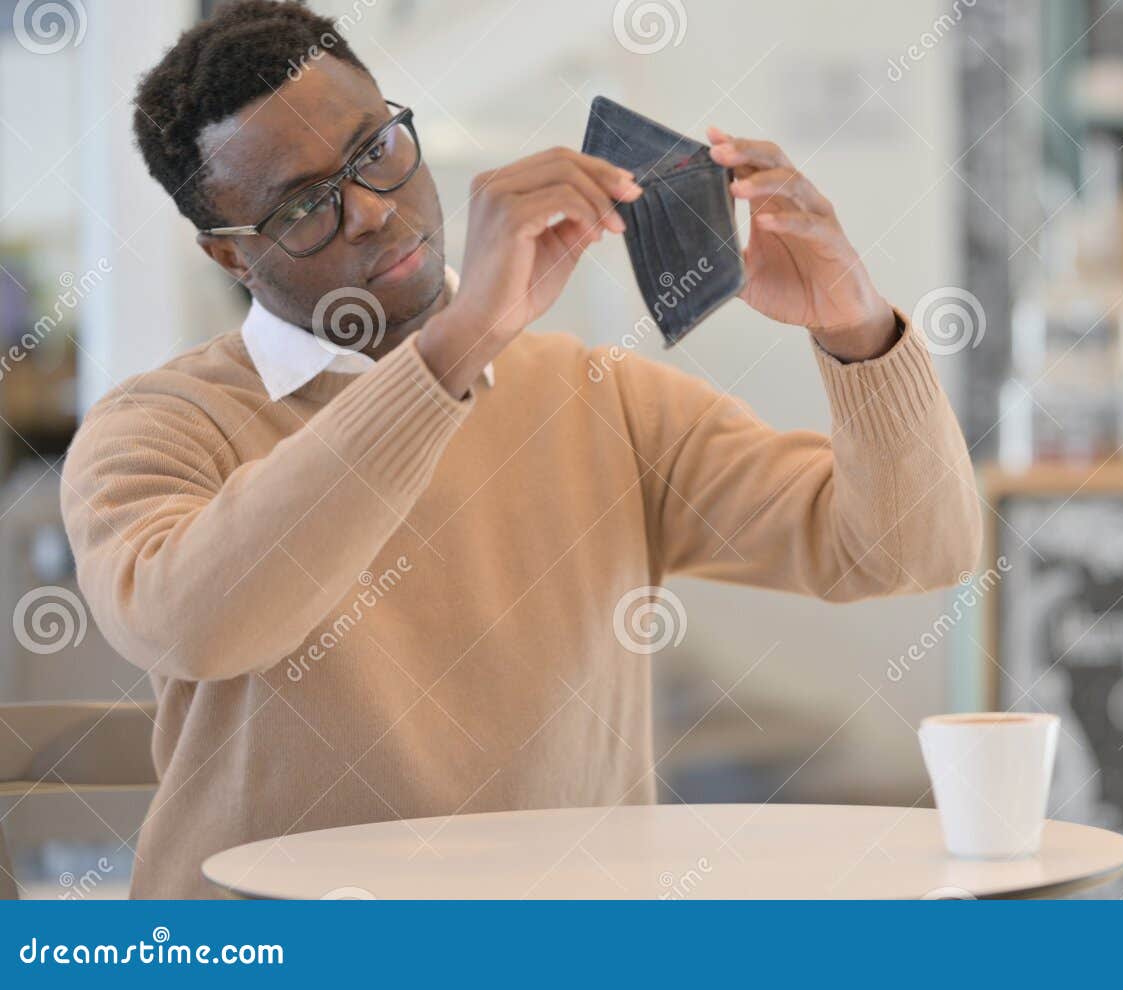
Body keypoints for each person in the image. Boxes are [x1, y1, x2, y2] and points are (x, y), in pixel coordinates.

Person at [61, 0, 980, 897]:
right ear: (229, 256)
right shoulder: (156, 426)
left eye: (375, 151)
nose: (373, 213)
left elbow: (909, 550)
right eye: (305, 205)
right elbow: (201, 624)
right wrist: (458, 345)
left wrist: (855, 325)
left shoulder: (601, 397)